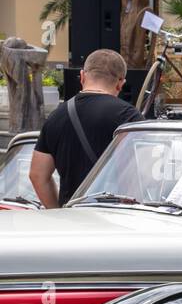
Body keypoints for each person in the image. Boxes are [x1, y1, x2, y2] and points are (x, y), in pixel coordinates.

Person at [29, 48, 140, 208]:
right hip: (113, 217)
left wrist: (57, 213)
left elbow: (37, 175)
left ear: (82, 76)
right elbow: (136, 176)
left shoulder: (56, 116)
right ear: (121, 83)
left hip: (71, 219)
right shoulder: (128, 116)